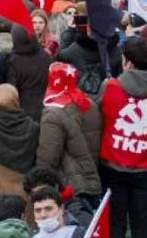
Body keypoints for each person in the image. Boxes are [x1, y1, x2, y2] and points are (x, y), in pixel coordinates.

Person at [98, 36, 147, 238]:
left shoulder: (109, 87)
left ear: (127, 62)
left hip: (113, 165)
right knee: (142, 226)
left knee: (115, 224)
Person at [36, 63, 101, 213]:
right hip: (92, 181)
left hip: (69, 189)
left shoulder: (53, 114)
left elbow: (48, 158)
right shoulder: (90, 104)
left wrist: (40, 188)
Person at [6, 24, 51, 122]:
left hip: (23, 111)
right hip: (46, 107)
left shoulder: (14, 61)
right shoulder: (46, 56)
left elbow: (11, 89)